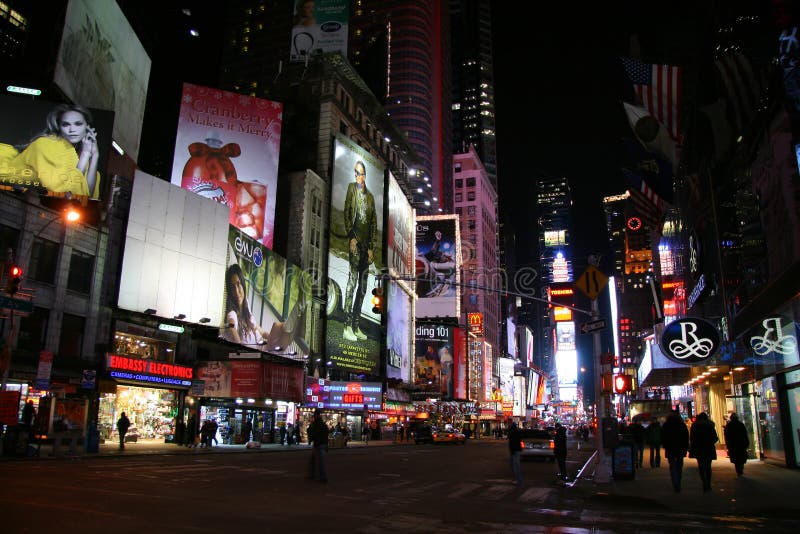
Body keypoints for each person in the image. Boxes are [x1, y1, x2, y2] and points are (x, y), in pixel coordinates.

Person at [0, 103, 101, 197]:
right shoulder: (45, 144)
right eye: (65, 124)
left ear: (87, 127)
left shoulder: (78, 156)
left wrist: (94, 155)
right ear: (58, 126)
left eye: (78, 124)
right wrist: (84, 156)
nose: (72, 130)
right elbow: (65, 191)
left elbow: (86, 195)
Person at [342, 160, 377, 342]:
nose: (358, 176)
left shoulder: (370, 197)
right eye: (356, 172)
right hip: (355, 243)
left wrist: (371, 248)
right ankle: (346, 325)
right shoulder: (351, 188)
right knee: (352, 283)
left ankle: (355, 326)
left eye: (361, 173)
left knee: (362, 288)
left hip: (366, 248)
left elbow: (373, 224)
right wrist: (351, 237)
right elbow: (347, 213)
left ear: (365, 175)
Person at [222, 263, 269, 345]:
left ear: (243, 285)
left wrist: (271, 337)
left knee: (278, 327)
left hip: (262, 345)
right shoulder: (232, 314)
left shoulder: (246, 307)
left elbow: (262, 331)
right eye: (233, 287)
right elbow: (231, 326)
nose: (236, 292)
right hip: (256, 350)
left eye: (238, 284)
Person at [689, 412, 719, 492]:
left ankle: (704, 482)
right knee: (708, 466)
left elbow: (691, 438)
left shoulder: (695, 426)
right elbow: (715, 438)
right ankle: (708, 483)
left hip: (698, 448)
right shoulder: (710, 425)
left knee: (701, 466)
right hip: (708, 448)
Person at [661, 409, 689, 492]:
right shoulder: (682, 424)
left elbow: (663, 436)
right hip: (680, 447)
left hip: (670, 447)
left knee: (672, 466)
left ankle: (675, 483)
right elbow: (686, 436)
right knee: (679, 466)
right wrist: (686, 446)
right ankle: (678, 483)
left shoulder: (666, 425)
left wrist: (665, 445)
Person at [308, 408, 329, 483]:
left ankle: (321, 477)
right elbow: (326, 434)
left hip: (318, 444)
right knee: (318, 461)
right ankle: (315, 475)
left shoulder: (316, 424)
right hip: (321, 444)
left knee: (319, 461)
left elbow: (314, 433)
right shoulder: (323, 424)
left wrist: (311, 439)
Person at [508, 421, 523, 485]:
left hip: (514, 451)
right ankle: (517, 479)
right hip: (517, 450)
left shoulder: (512, 433)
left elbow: (513, 442)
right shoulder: (517, 432)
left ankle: (518, 480)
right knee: (515, 465)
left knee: (515, 466)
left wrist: (512, 451)